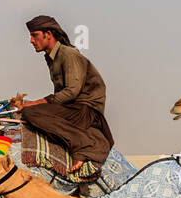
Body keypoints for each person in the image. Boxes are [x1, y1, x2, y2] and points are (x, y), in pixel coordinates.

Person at [18, 15, 113, 171]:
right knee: (31, 111)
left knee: (30, 112)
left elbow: (71, 92)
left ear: (48, 34)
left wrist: (34, 103)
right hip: (73, 109)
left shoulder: (68, 54)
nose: (31, 41)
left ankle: (83, 145)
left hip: (85, 111)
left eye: (34, 35)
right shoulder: (51, 58)